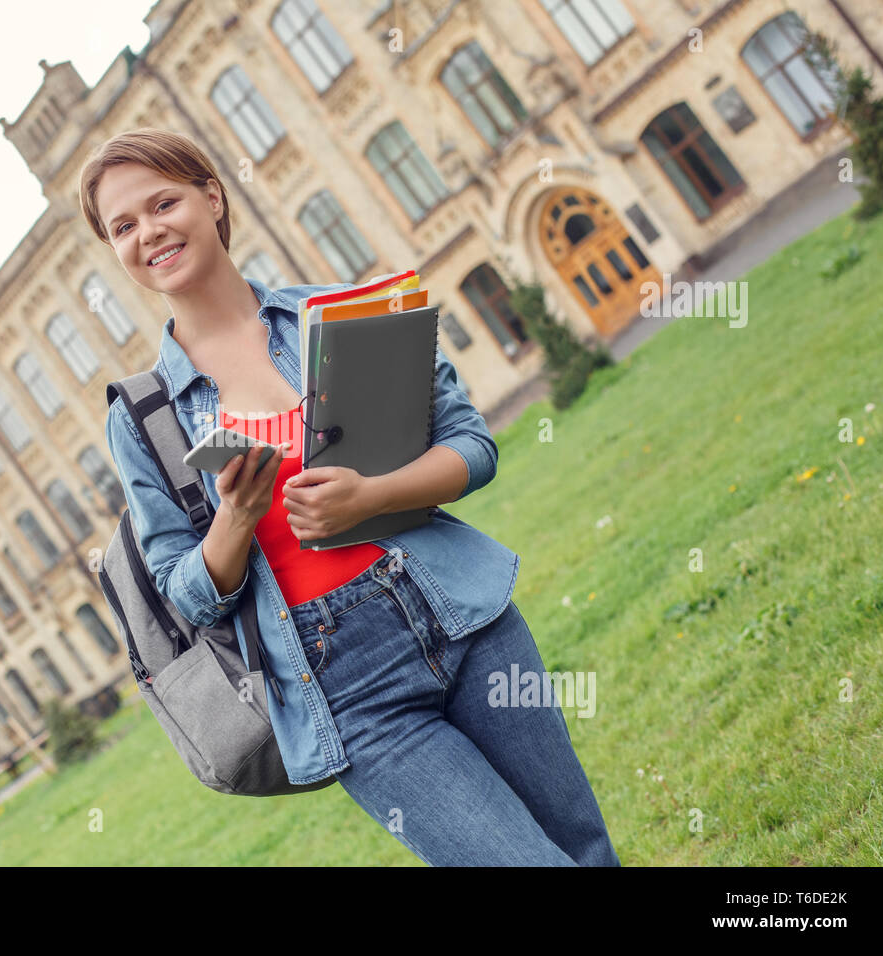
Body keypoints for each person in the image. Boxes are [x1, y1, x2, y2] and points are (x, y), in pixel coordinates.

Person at [79, 127, 620, 867]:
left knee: (583, 850)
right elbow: (186, 594)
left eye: (162, 203)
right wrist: (235, 518)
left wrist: (371, 498)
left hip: (461, 618)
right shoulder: (143, 416)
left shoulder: (337, 315)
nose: (149, 233)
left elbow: (472, 446)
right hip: (345, 688)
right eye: (123, 227)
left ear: (212, 196)